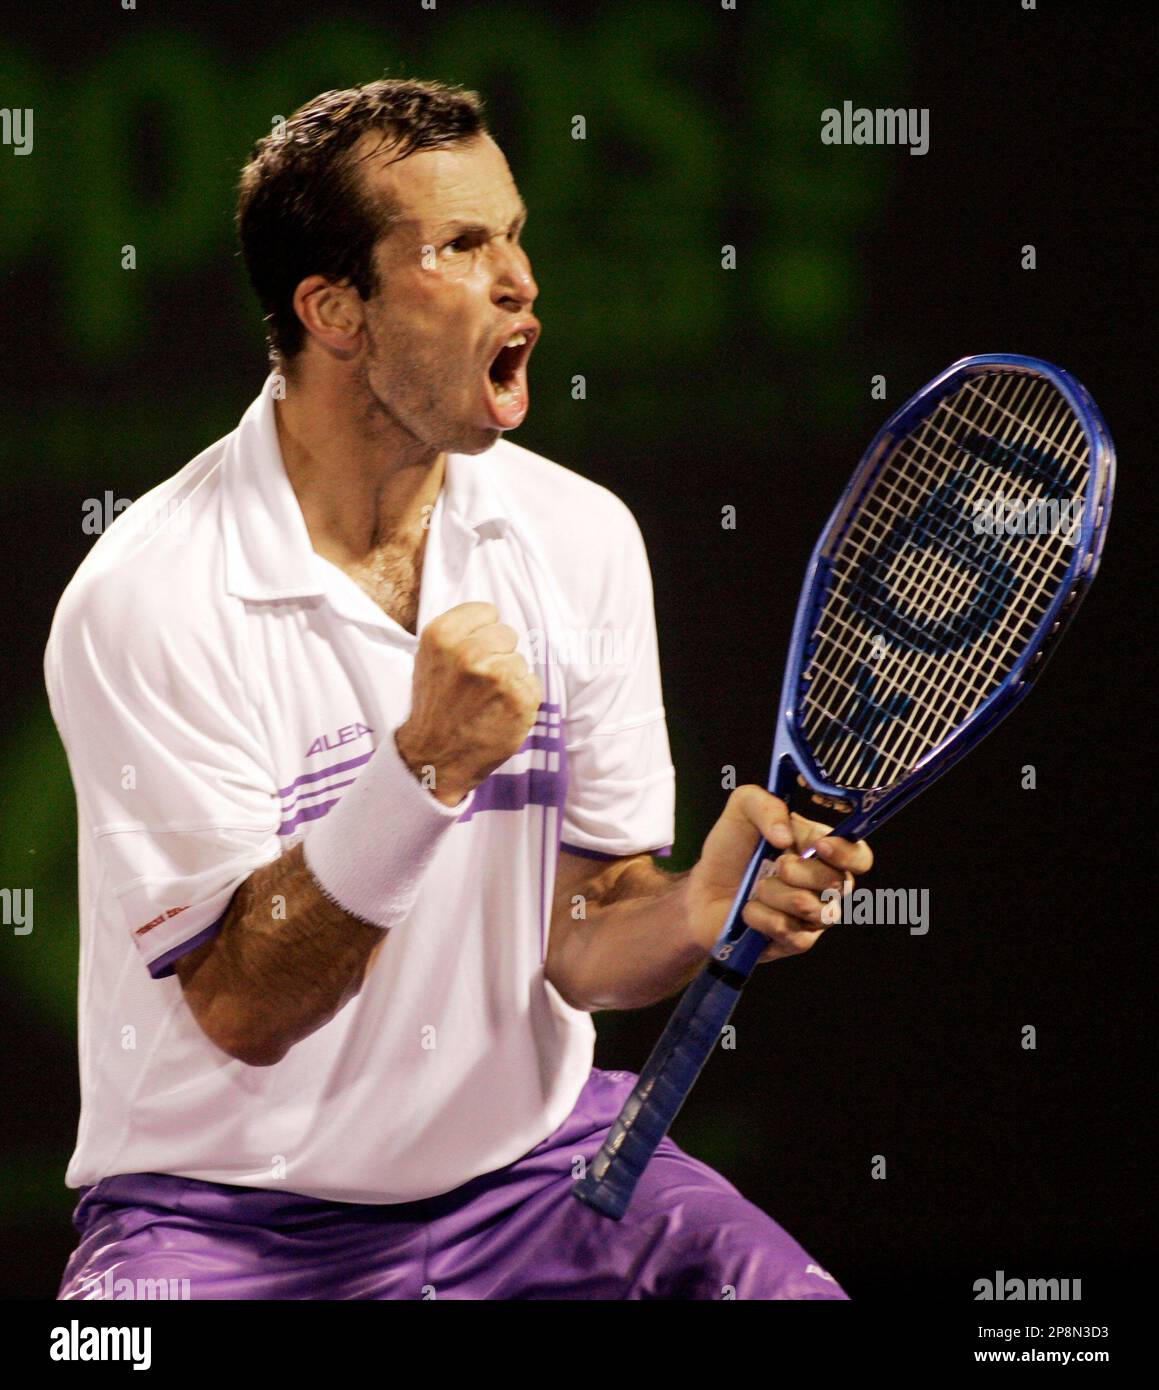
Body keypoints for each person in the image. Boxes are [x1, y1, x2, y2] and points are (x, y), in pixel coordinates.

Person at [47, 77, 872, 1301]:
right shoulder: (148, 594)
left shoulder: (579, 535)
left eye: (515, 231)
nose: (521, 278)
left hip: (546, 1179)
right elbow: (242, 1006)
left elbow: (580, 943)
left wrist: (701, 905)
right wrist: (422, 770)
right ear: (334, 310)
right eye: (460, 244)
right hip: (231, 1225)